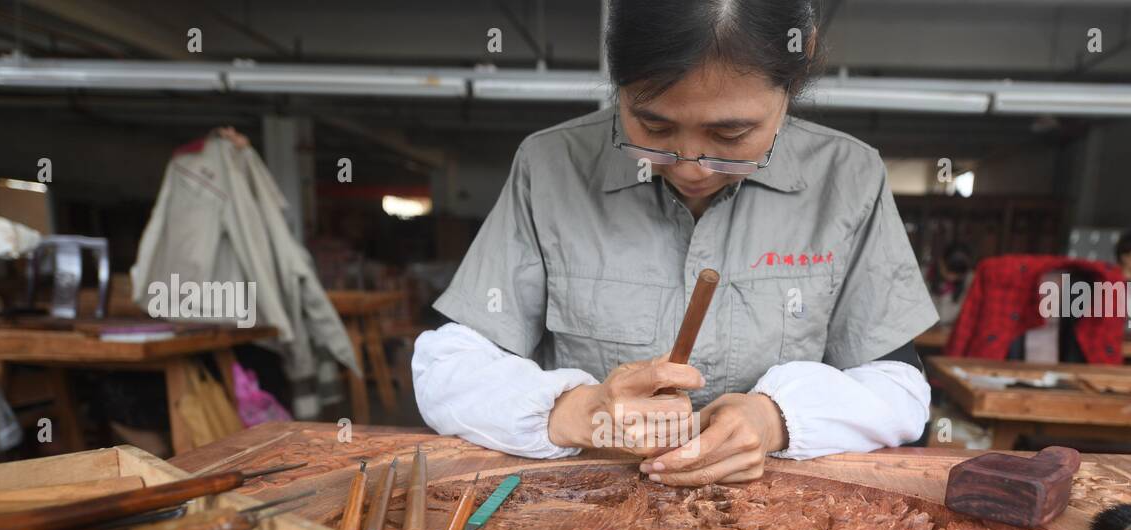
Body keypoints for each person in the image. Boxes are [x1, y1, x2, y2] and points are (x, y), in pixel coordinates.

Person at [412, 0, 936, 486]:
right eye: (653, 126)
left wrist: (775, 418)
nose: (691, 167)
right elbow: (448, 368)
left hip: (773, 525)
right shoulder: (550, 167)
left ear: (796, 74)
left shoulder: (848, 178)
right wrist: (578, 411)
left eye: (731, 136)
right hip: (583, 514)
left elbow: (899, 389)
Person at [930, 242, 973, 325]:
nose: (952, 276)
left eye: (958, 272)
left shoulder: (970, 281)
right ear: (941, 262)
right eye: (949, 270)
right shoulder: (927, 275)